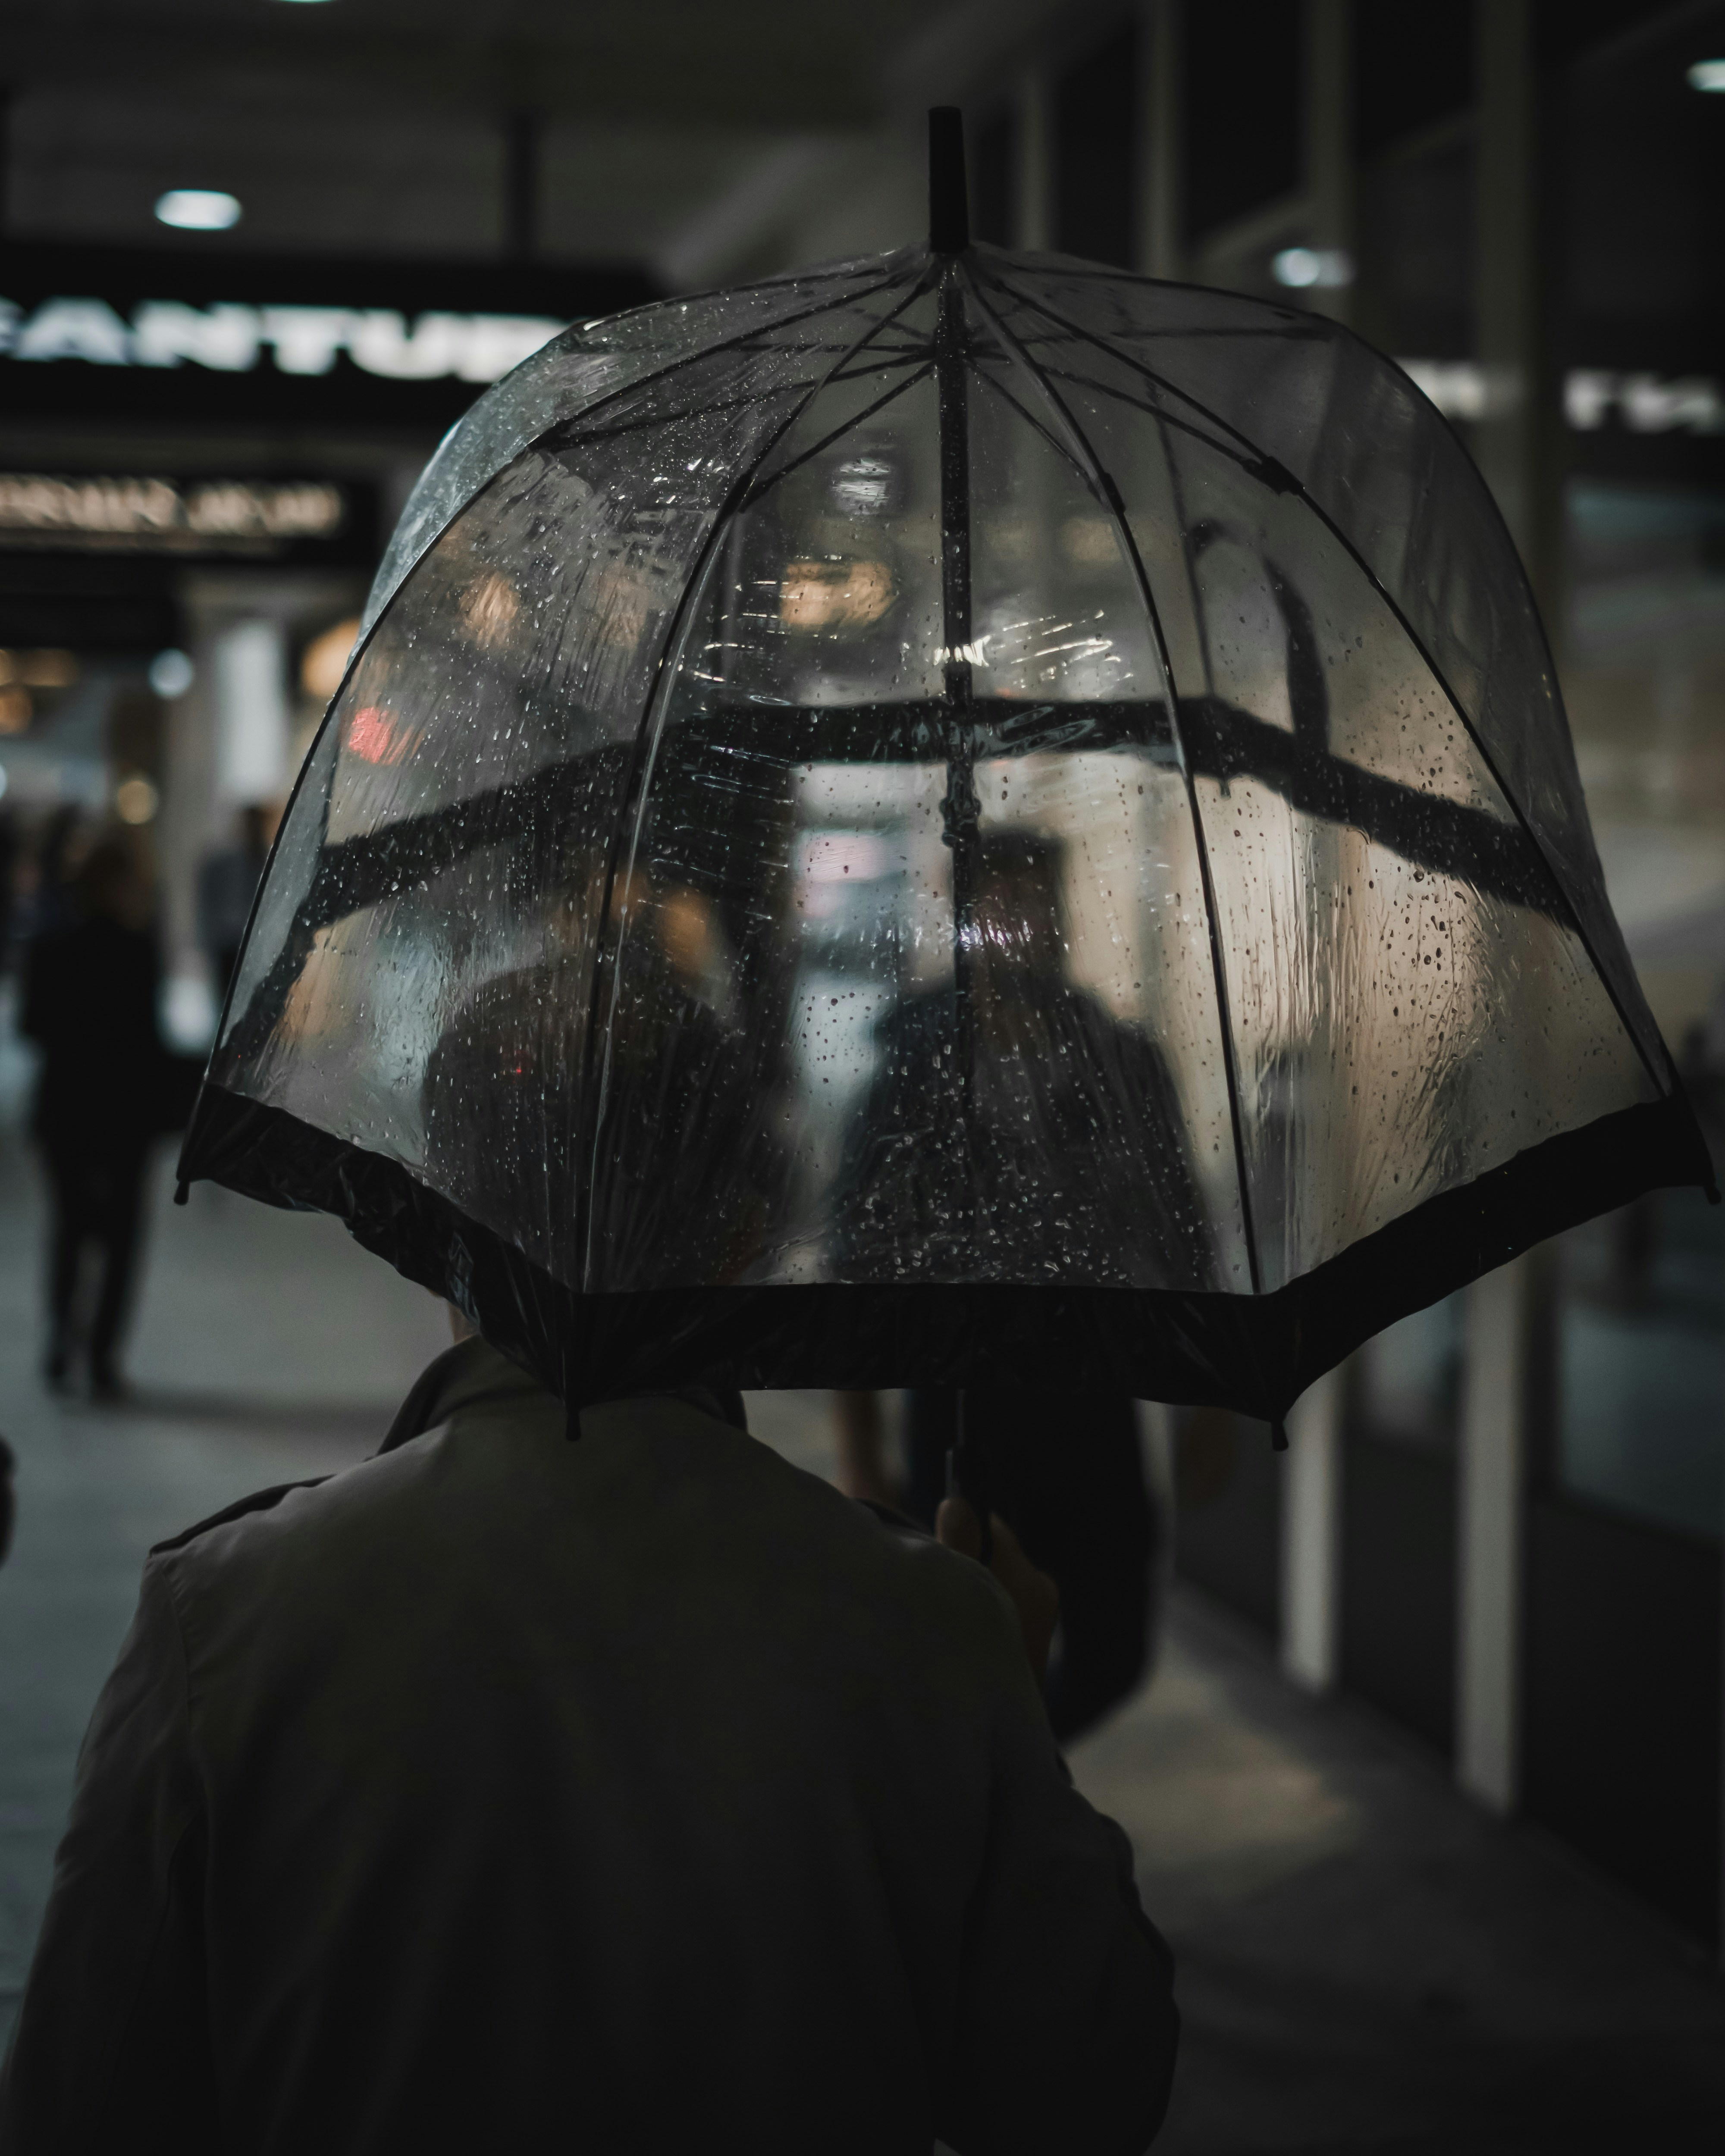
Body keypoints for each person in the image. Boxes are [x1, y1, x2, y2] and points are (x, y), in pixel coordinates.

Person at [0, 1315, 1179, 2153]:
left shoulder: (220, 1613)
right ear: (740, 1244)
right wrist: (1006, 1701)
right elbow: (1082, 2102)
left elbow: (82, 2106)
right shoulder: (927, 1625)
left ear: (444, 1231)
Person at [20, 834, 165, 1399]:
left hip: (65, 1107)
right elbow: (147, 1038)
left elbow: (30, 1026)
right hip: (125, 1110)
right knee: (121, 1238)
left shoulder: (50, 946)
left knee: (70, 1229)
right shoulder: (137, 948)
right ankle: (103, 1357)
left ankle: (62, 1342)